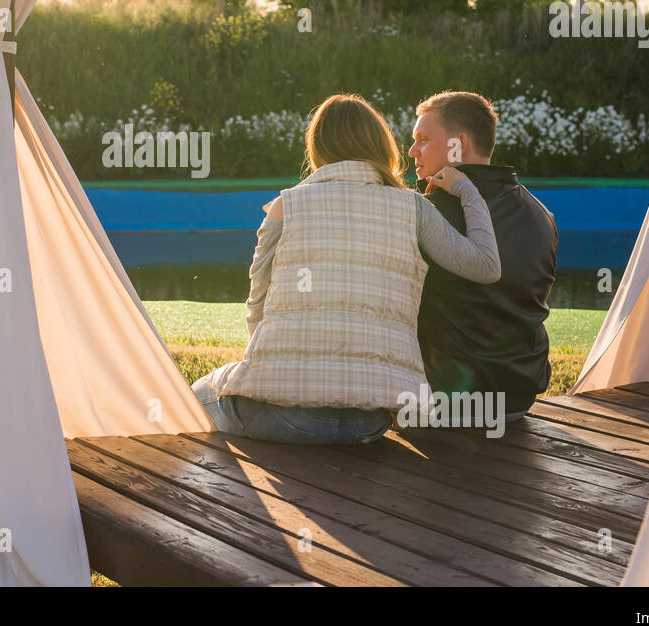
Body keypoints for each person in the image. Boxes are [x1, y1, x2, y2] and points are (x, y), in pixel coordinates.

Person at [191, 93, 501, 444]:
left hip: (281, 417)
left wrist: (278, 366)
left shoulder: (285, 206)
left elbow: (257, 306)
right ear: (379, 143)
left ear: (318, 147)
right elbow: (486, 266)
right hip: (369, 423)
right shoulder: (414, 209)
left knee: (190, 396)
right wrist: (466, 190)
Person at [408, 91, 558, 423]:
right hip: (518, 398)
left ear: (457, 145)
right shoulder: (542, 214)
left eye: (423, 139)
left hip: (448, 404)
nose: (412, 150)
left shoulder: (428, 214)